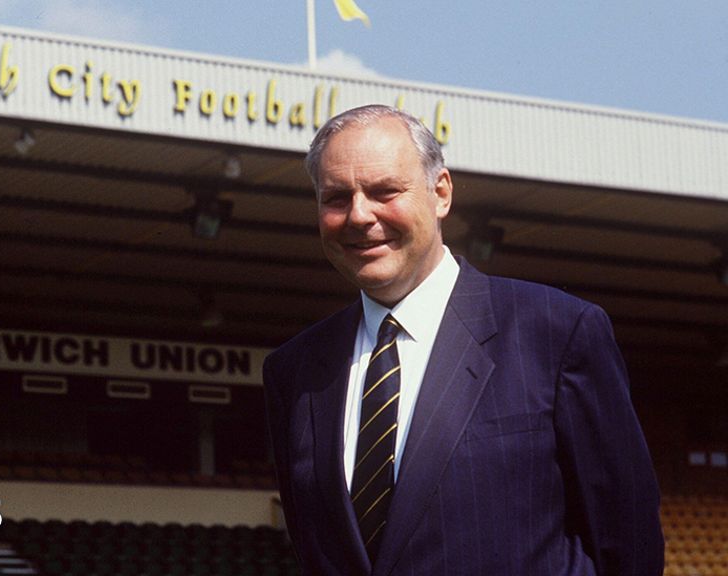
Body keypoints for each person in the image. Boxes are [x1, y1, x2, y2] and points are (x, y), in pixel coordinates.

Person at [262, 104, 664, 576]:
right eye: (335, 198)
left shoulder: (555, 333)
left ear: (441, 193)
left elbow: (628, 543)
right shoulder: (295, 371)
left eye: (384, 191)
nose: (358, 215)